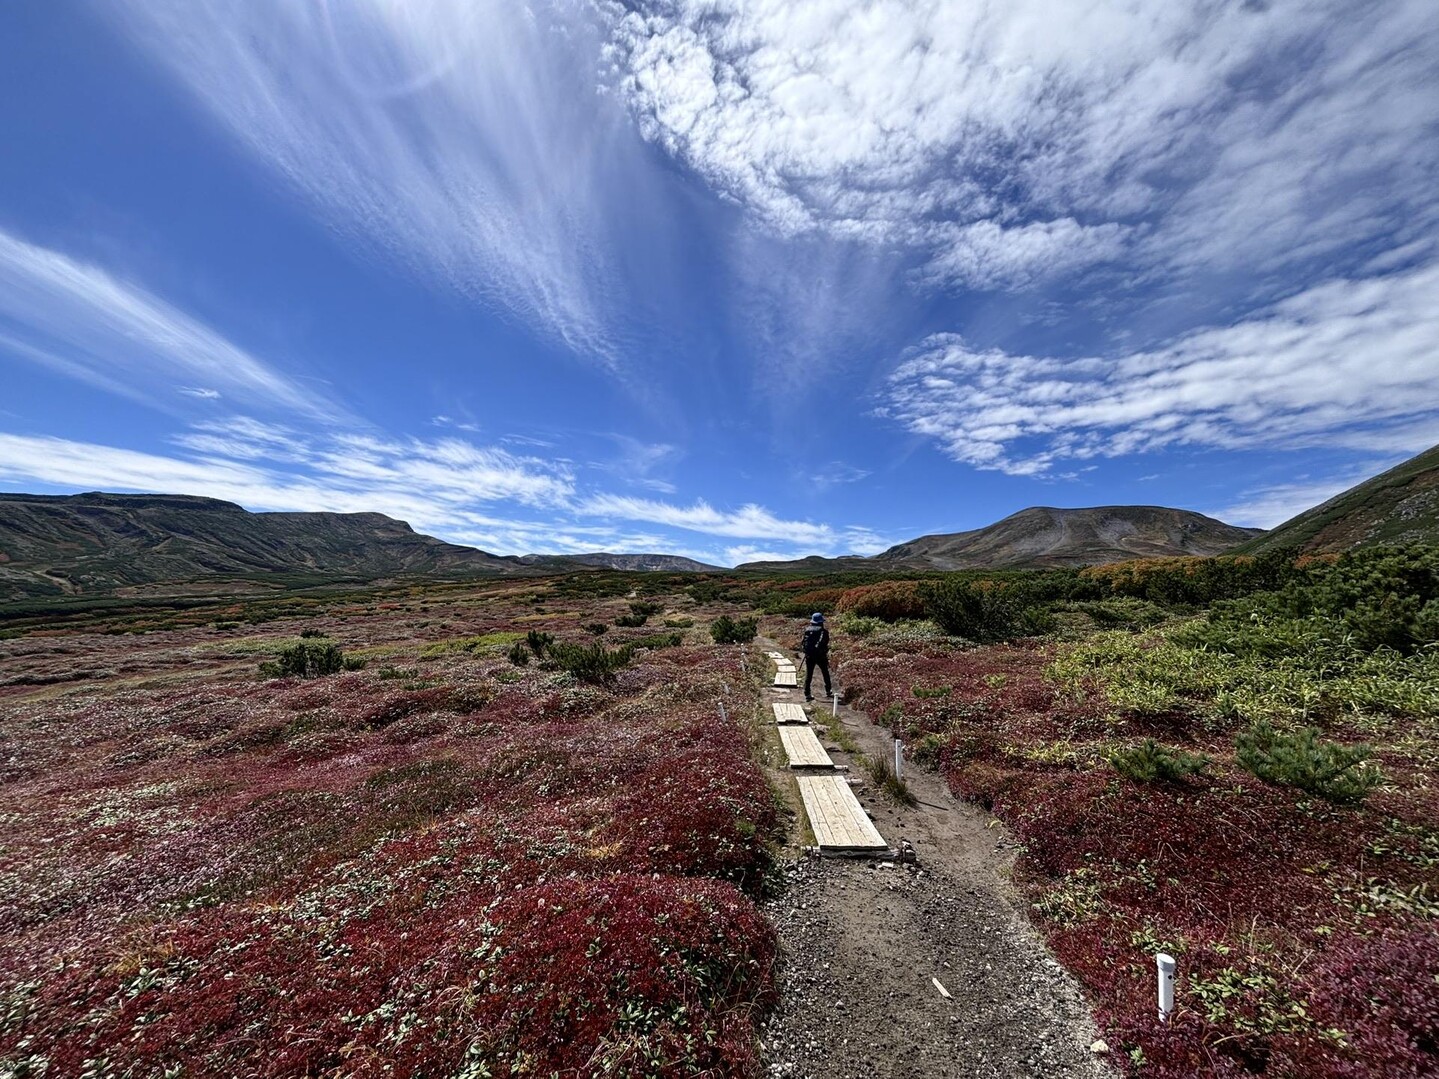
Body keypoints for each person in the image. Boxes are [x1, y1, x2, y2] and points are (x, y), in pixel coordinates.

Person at [798, 612, 832, 702]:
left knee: (809, 674)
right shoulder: (823, 632)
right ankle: (828, 690)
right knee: (825, 672)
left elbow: (803, 643)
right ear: (821, 621)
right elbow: (825, 643)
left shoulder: (807, 630)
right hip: (820, 656)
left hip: (809, 655)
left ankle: (807, 693)